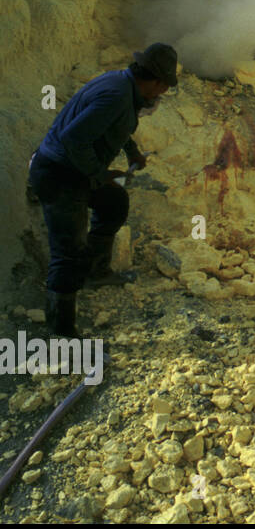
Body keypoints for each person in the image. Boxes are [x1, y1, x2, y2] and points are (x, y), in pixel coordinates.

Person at [28, 43, 177, 337]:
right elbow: (74, 140)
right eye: (164, 87)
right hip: (59, 174)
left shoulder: (121, 84)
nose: (163, 94)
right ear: (156, 82)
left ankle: (96, 271)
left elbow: (109, 127)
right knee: (67, 252)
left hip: (75, 170)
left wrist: (132, 151)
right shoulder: (116, 96)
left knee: (114, 202)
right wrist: (100, 174)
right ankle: (61, 333)